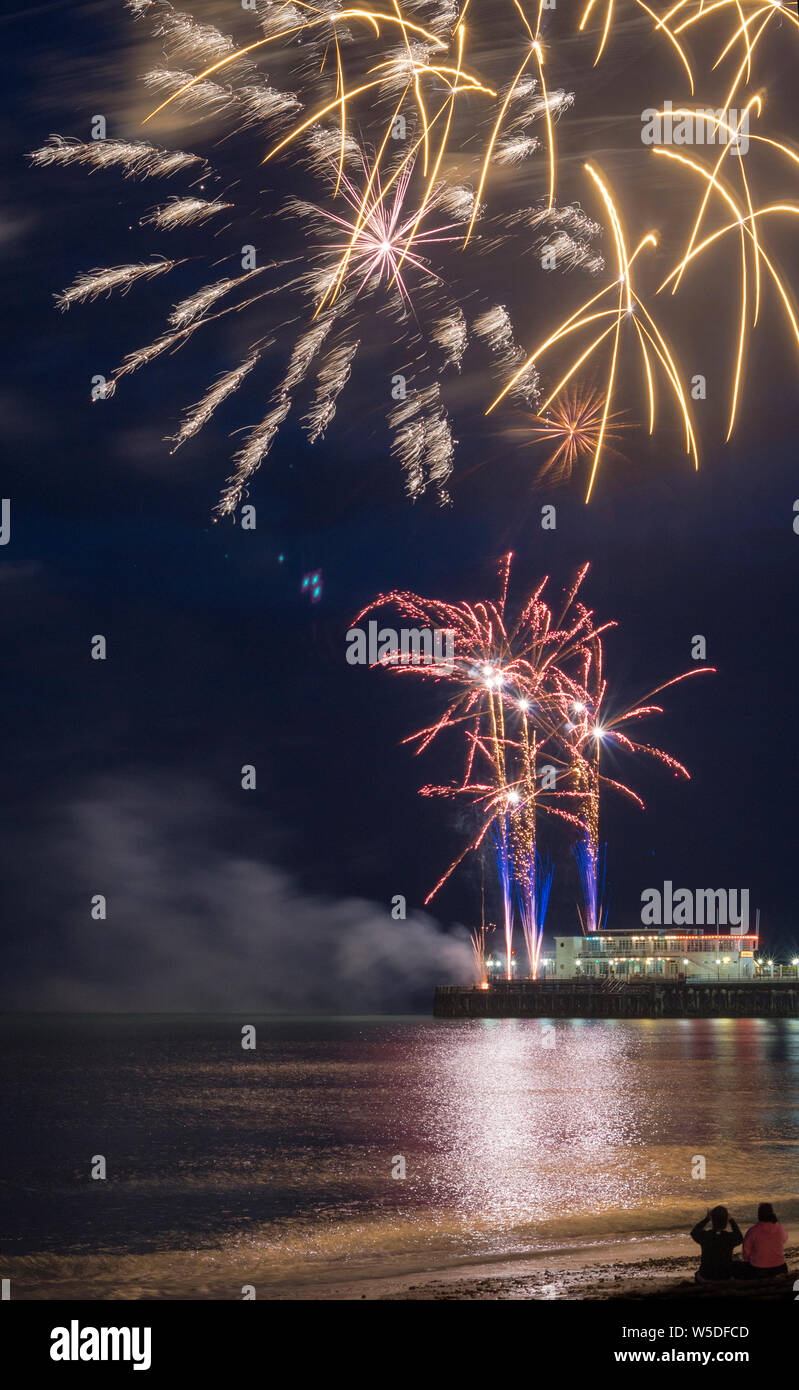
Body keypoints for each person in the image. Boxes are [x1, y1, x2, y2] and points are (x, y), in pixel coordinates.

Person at [690, 1206, 743, 1282]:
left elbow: (694, 1232)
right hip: (725, 1277)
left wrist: (706, 1219)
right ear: (726, 1221)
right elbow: (740, 1237)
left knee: (698, 1274)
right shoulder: (729, 1238)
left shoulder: (706, 1236)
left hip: (706, 1276)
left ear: (712, 1221)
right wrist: (731, 1220)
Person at [738, 1203, 788, 1279]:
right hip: (780, 1268)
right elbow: (784, 1239)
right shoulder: (779, 1228)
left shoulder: (753, 1230)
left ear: (759, 1215)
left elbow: (746, 1252)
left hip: (759, 1269)